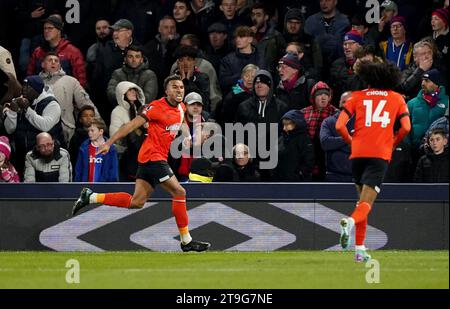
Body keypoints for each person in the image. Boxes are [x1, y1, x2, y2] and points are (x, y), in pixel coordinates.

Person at [72, 75, 211, 252]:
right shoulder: (155, 108)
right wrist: (109, 142)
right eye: (174, 87)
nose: (179, 90)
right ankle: (186, 241)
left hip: (150, 159)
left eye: (181, 87)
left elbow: (181, 121)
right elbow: (130, 126)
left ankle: (90, 197)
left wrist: (188, 137)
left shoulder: (182, 107)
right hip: (154, 157)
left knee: (136, 202)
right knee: (179, 191)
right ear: (166, 91)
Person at [336, 61, 411, 262]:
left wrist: (351, 142)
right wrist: (393, 143)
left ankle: (359, 250)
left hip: (358, 154)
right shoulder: (396, 98)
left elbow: (339, 125)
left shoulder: (356, 97)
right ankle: (349, 222)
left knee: (362, 202)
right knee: (366, 205)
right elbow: (406, 127)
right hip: (379, 154)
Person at [74, 118, 119, 182]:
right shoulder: (83, 148)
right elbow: (78, 171)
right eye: (88, 131)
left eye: (92, 131)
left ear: (101, 131)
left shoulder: (111, 149)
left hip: (105, 189)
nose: (89, 133)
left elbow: (113, 172)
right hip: (87, 189)